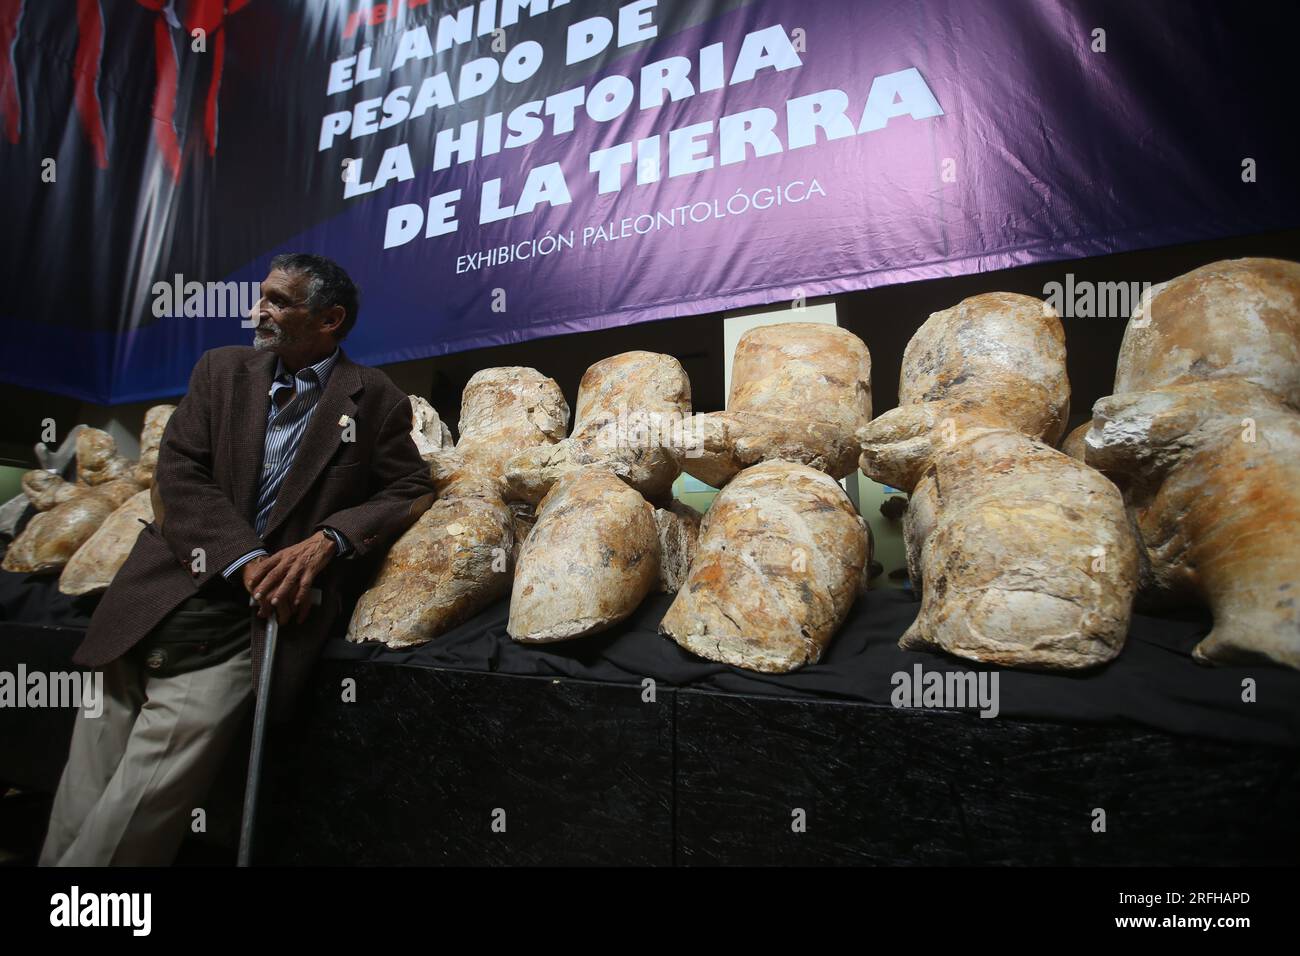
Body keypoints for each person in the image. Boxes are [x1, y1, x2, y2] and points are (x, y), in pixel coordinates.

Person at [40, 253, 435, 865]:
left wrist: (329, 539)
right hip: (152, 600)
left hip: (247, 625)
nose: (259, 311)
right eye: (263, 296)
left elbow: (407, 487)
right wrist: (245, 555)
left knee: (138, 807)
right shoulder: (221, 372)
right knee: (83, 791)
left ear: (330, 318)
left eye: (279, 300)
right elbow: (178, 473)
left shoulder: (374, 397)